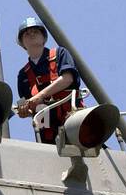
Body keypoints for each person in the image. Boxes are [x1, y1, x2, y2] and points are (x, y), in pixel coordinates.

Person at [14, 16, 83, 144]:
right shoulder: (23, 75)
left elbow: (67, 79)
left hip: (73, 121)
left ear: (44, 37)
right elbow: (28, 106)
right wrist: (24, 111)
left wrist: (40, 96)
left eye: (36, 31)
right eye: (27, 34)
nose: (31, 34)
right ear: (22, 43)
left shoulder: (59, 54)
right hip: (48, 133)